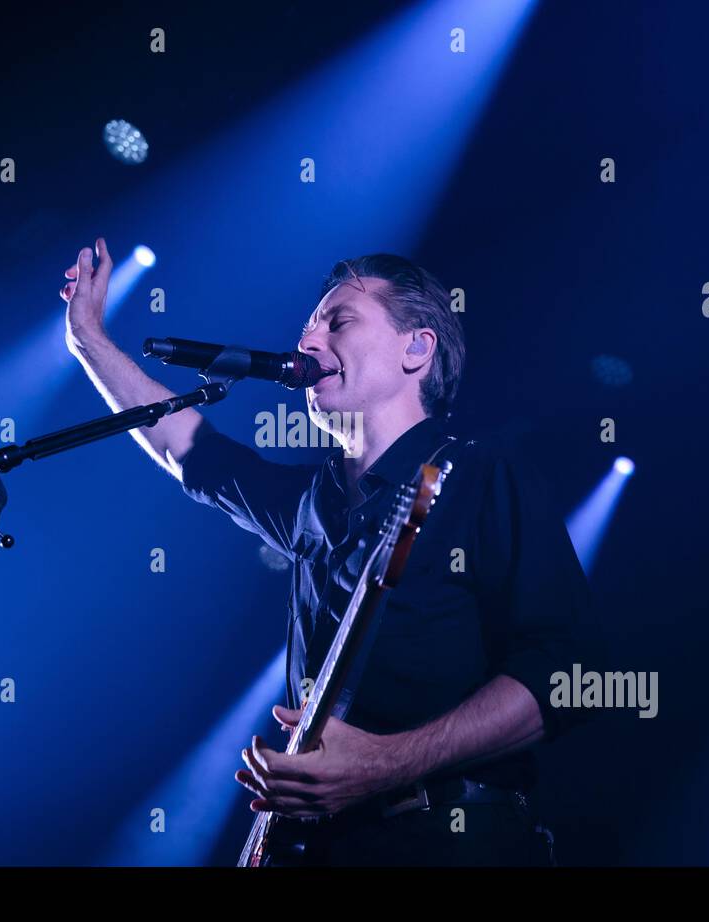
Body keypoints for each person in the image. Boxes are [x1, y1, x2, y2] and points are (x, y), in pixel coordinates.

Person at [61, 239, 602, 865]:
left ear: (417, 348)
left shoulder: (479, 475)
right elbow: (189, 452)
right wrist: (89, 341)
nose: (308, 344)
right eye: (306, 329)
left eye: (337, 322)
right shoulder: (312, 503)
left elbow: (569, 675)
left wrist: (387, 763)